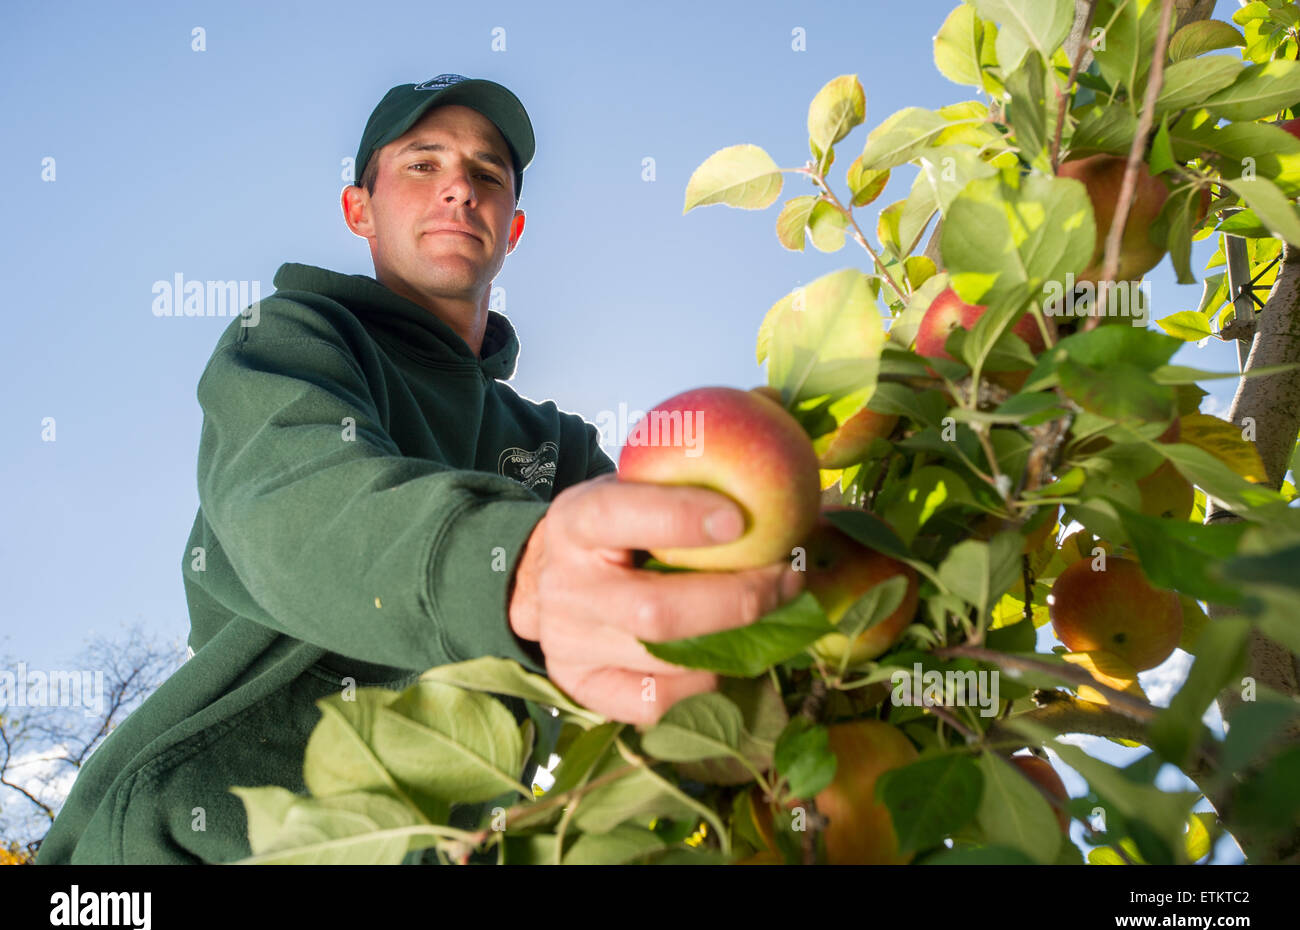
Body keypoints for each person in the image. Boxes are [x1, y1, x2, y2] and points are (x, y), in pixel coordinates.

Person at [35, 73, 803, 865]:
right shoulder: (293, 340)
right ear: (358, 210)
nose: (459, 190)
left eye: (487, 175)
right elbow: (296, 500)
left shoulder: (562, 451)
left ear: (514, 226)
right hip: (180, 847)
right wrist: (520, 572)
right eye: (423, 164)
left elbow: (660, 589)